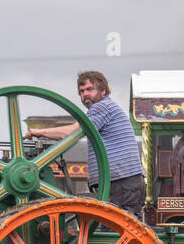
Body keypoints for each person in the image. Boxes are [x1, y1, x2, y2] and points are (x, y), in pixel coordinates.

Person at [25, 71, 146, 216]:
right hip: (123, 183)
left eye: (90, 89)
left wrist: (38, 132)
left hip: (122, 184)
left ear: (103, 90)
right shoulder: (105, 108)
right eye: (82, 91)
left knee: (116, 232)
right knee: (122, 231)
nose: (85, 94)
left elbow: (69, 134)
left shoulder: (101, 107)